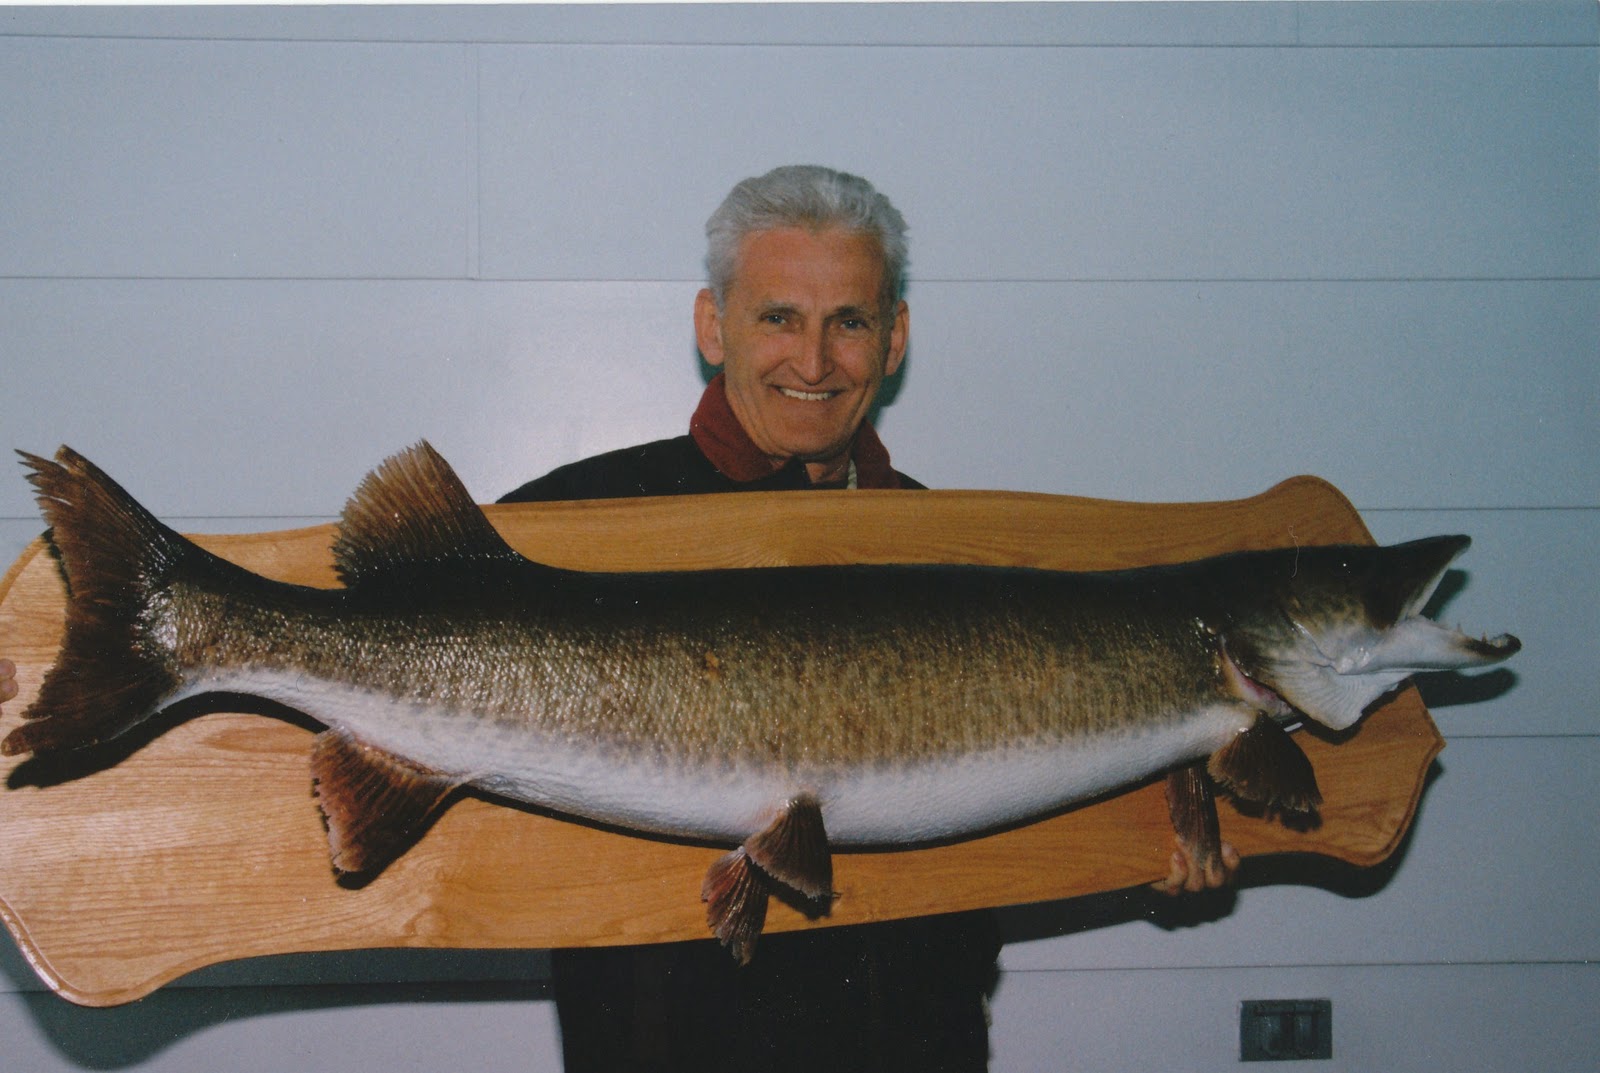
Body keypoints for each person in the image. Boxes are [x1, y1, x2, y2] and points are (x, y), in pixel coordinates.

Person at [500, 165, 1001, 1073]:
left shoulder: (957, 547)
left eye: (847, 321)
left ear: (894, 340)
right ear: (711, 325)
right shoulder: (574, 525)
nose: (812, 363)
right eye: (779, 317)